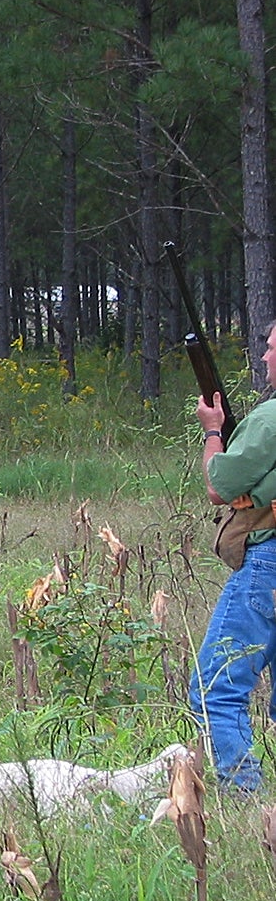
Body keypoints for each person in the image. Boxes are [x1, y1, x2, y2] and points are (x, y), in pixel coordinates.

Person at [188, 321, 276, 795]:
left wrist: (214, 432)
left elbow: (218, 488)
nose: (264, 358)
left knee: (213, 690)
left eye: (270, 349)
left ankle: (243, 795)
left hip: (268, 564)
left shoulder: (270, 419)